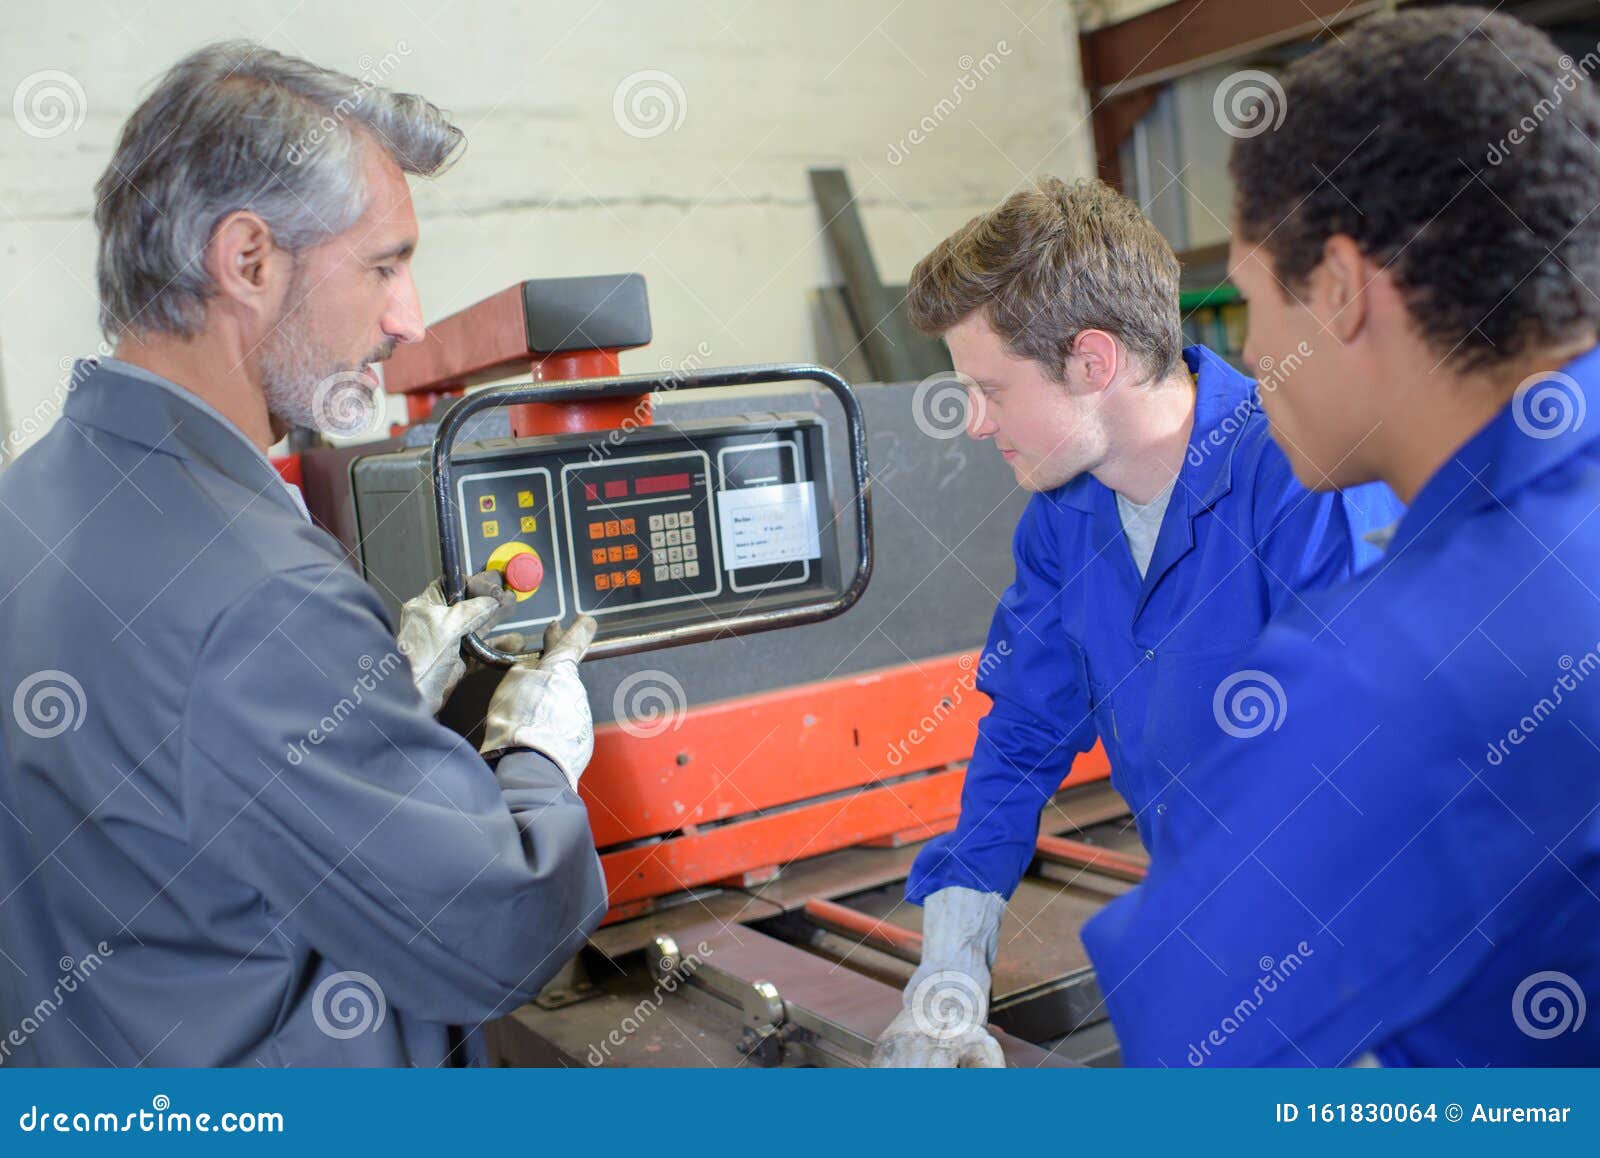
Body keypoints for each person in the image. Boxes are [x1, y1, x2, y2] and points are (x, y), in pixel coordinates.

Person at [0, 42, 605, 1067]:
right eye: (384, 264)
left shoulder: (35, 496)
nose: (406, 320)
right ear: (246, 261)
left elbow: (179, 795)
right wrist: (536, 760)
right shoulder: (263, 600)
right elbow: (491, 929)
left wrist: (368, 702)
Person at [1083, 6, 1600, 1066]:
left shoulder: (1393, 674)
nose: (1249, 349)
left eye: (1250, 292)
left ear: (1339, 288)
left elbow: (1189, 1046)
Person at [872, 177, 1403, 1067]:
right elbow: (1023, 740)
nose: (971, 423)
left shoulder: (1308, 480)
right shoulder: (1062, 518)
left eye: (990, 388)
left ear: (1092, 363)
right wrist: (949, 976)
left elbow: (1367, 781)